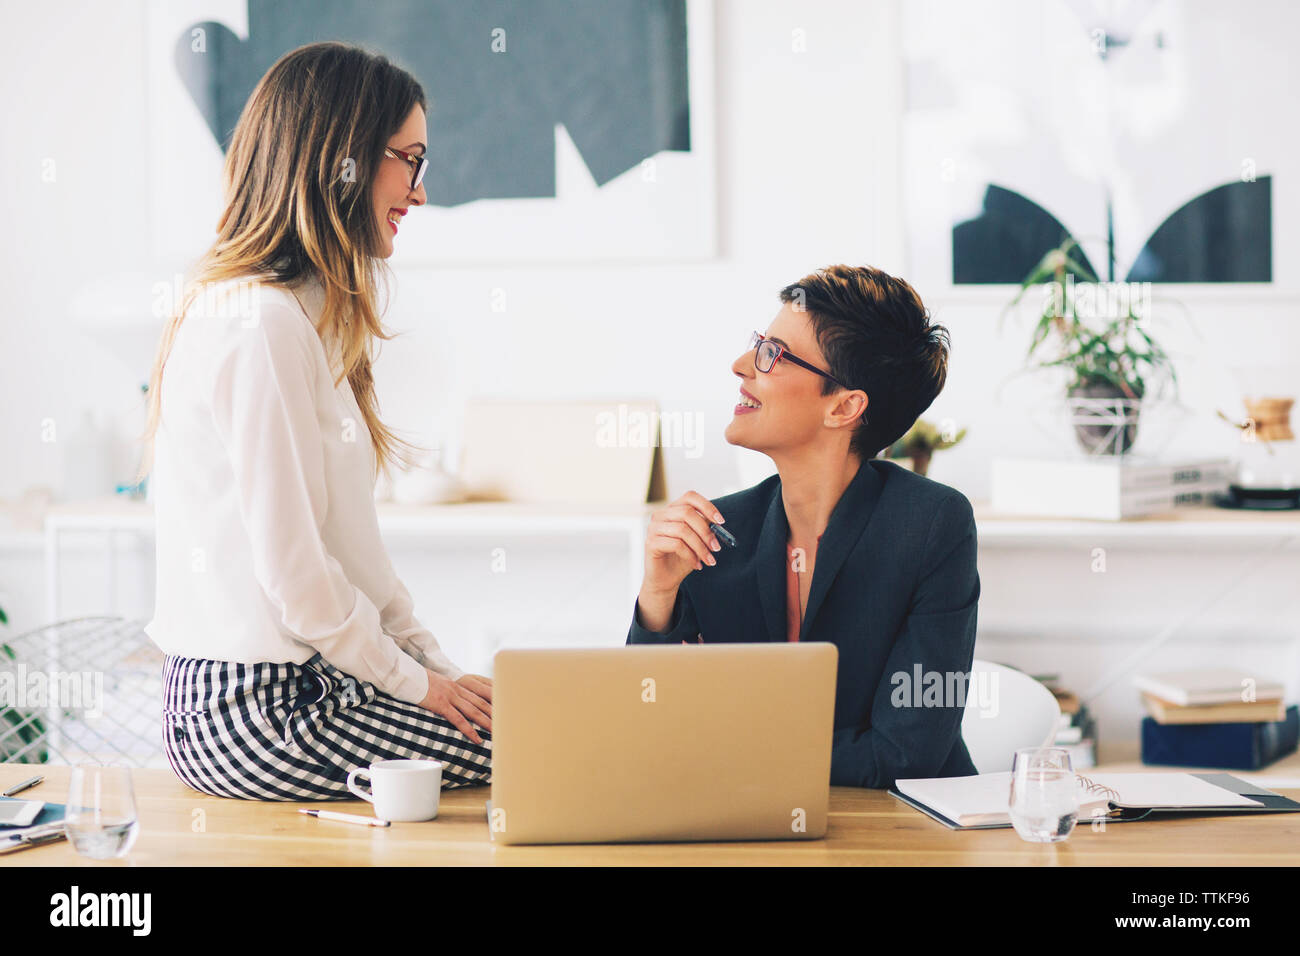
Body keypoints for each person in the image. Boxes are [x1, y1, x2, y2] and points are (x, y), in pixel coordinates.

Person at [137, 42, 492, 801]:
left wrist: (440, 673)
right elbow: (299, 583)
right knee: (549, 740)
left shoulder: (297, 321)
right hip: (256, 711)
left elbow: (353, 560)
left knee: (530, 721)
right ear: (347, 160)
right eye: (411, 160)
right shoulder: (260, 325)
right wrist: (420, 685)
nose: (419, 194)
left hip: (295, 691)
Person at [627, 264, 980, 789]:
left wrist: (727, 748)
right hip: (748, 831)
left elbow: (906, 755)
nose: (741, 364)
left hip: (900, 838)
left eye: (772, 353)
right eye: (757, 344)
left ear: (843, 406)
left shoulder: (930, 525)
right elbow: (649, 730)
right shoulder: (716, 530)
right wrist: (658, 595)